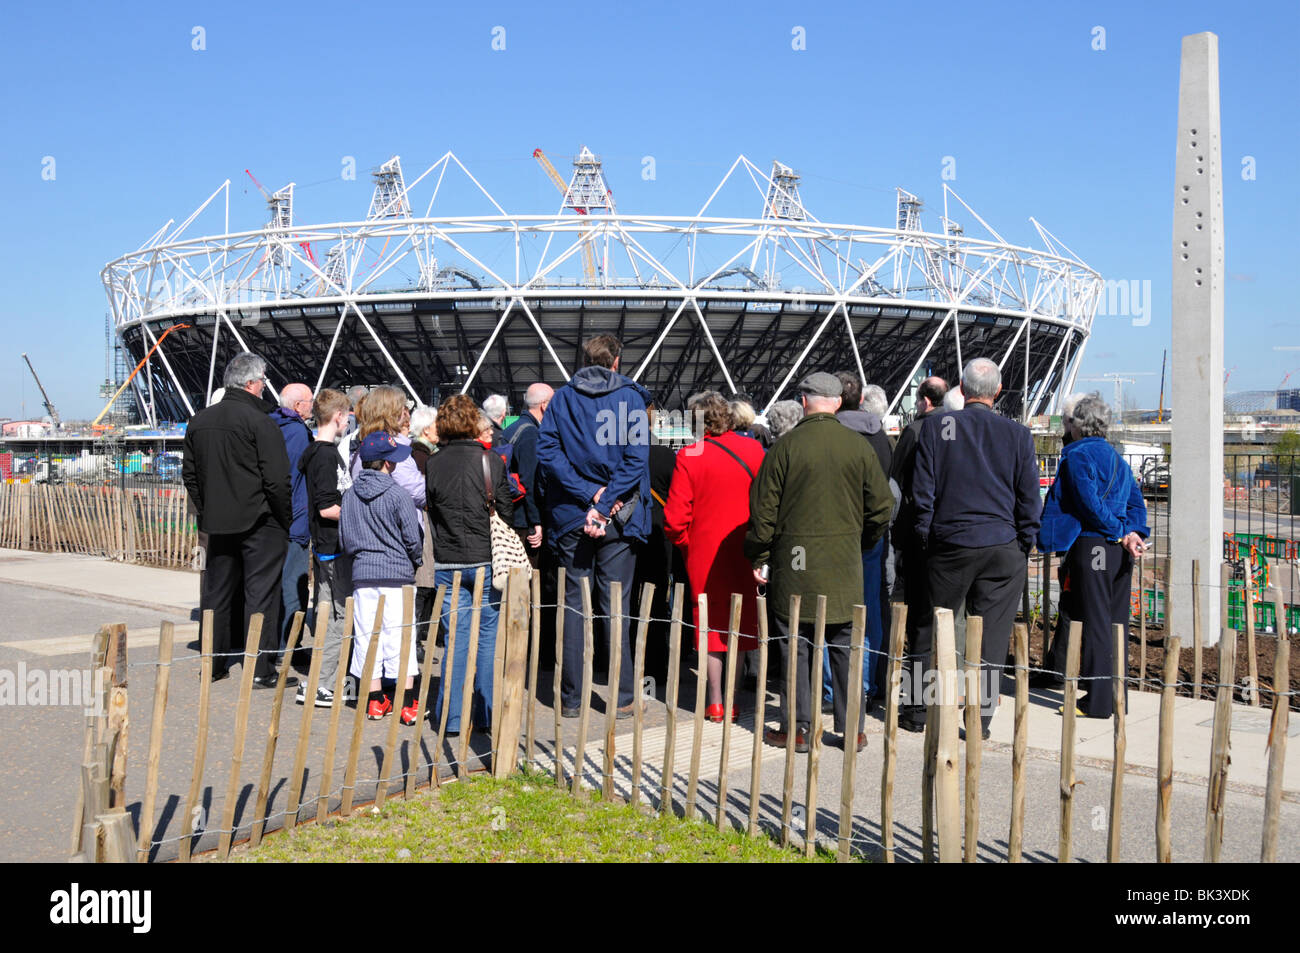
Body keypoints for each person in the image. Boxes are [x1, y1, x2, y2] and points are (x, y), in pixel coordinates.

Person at [747, 372, 892, 754]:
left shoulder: (785, 447)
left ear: (805, 400)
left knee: (795, 644)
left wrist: (760, 555)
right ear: (839, 403)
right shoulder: (858, 447)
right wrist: (860, 543)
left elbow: (763, 512)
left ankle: (798, 729)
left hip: (794, 567)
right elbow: (881, 508)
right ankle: (852, 730)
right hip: (844, 564)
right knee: (845, 646)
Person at [909, 358, 1042, 737]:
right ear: (997, 392)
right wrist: (1024, 541)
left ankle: (930, 710)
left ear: (962, 391)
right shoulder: (1017, 435)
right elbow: (1029, 497)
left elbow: (924, 492)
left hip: (950, 543)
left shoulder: (936, 428)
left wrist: (926, 535)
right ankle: (978, 720)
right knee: (992, 638)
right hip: (1001, 544)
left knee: (938, 629)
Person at [538, 334, 650, 718]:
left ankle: (570, 699)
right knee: (615, 606)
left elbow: (547, 452)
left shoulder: (562, 399)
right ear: (616, 361)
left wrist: (588, 496)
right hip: (618, 517)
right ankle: (621, 698)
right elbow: (635, 460)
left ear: (584, 360)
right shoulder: (631, 398)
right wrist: (604, 504)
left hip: (571, 514)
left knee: (572, 606)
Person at [182, 353, 296, 688]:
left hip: (218, 521)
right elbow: (277, 479)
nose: (264, 388)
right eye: (262, 381)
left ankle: (214, 664)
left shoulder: (199, 421)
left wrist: (207, 509)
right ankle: (260, 669)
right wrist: (283, 517)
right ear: (251, 383)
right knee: (261, 594)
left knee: (216, 593)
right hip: (260, 521)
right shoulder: (262, 422)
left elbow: (190, 475)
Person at [1036, 395, 1148, 716]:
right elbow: (1136, 504)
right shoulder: (1118, 459)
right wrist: (1134, 533)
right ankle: (1116, 695)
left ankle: (1097, 702)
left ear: (1080, 425)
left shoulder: (1077, 457)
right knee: (1116, 622)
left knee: (1097, 621)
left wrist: (1118, 531)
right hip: (1120, 552)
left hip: (1093, 544)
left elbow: (1088, 504)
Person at [664, 392, 765, 721]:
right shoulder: (753, 449)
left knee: (710, 625)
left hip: (704, 553)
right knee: (737, 623)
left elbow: (674, 519)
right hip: (745, 548)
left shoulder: (690, 455)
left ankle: (716, 701)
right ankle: (733, 700)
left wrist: (686, 545)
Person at [426, 395, 515, 734]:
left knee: (456, 640)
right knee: (489, 640)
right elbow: (506, 509)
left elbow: (433, 509)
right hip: (486, 558)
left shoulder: (433, 464)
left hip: (448, 561)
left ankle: (451, 717)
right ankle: (488, 715)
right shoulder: (490, 460)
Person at [340, 432, 424, 723]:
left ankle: (375, 701)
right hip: (397, 574)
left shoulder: (349, 495)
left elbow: (346, 540)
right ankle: (407, 703)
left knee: (366, 636)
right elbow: (413, 539)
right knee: (402, 635)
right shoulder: (398, 494)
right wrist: (414, 560)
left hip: (364, 573)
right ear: (387, 463)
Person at [828, 371, 896, 714]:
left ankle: (832, 690)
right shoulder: (880, 437)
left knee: (828, 610)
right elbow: (884, 494)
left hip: (833, 536)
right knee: (870, 607)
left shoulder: (831, 434)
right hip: (870, 536)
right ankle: (867, 685)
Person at [890, 375, 947, 726]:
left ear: (924, 400)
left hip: (916, 535)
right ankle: (977, 710)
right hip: (952, 536)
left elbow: (894, 484)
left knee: (920, 625)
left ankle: (915, 707)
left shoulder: (914, 431)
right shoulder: (954, 430)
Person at [296, 388, 352, 707]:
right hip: (332, 543)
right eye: (346, 416)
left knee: (328, 610)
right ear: (338, 416)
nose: (347, 422)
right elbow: (327, 507)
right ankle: (326, 683)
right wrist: (359, 515)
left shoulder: (315, 451)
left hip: (323, 544)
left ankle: (321, 679)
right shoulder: (326, 454)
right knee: (339, 614)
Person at [270, 383, 315, 668]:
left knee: (280, 583)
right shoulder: (298, 433)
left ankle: (279, 643)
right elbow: (297, 477)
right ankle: (289, 646)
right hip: (295, 520)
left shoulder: (272, 425)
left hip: (275, 520)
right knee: (294, 585)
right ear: (298, 405)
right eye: (310, 401)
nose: (313, 405)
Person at [348, 386, 425, 509]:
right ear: (393, 413)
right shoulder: (392, 448)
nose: (405, 412)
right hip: (397, 524)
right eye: (402, 408)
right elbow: (418, 493)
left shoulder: (364, 444)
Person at [502, 383, 553, 563]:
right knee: (527, 582)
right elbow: (531, 481)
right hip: (524, 521)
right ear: (544, 405)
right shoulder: (531, 434)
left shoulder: (511, 429)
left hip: (509, 513)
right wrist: (536, 522)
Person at [408, 404, 439, 657]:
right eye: (436, 425)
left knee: (425, 581)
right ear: (426, 429)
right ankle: (414, 638)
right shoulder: (421, 454)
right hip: (424, 519)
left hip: (426, 519)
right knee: (423, 581)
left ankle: (417, 635)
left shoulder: (425, 452)